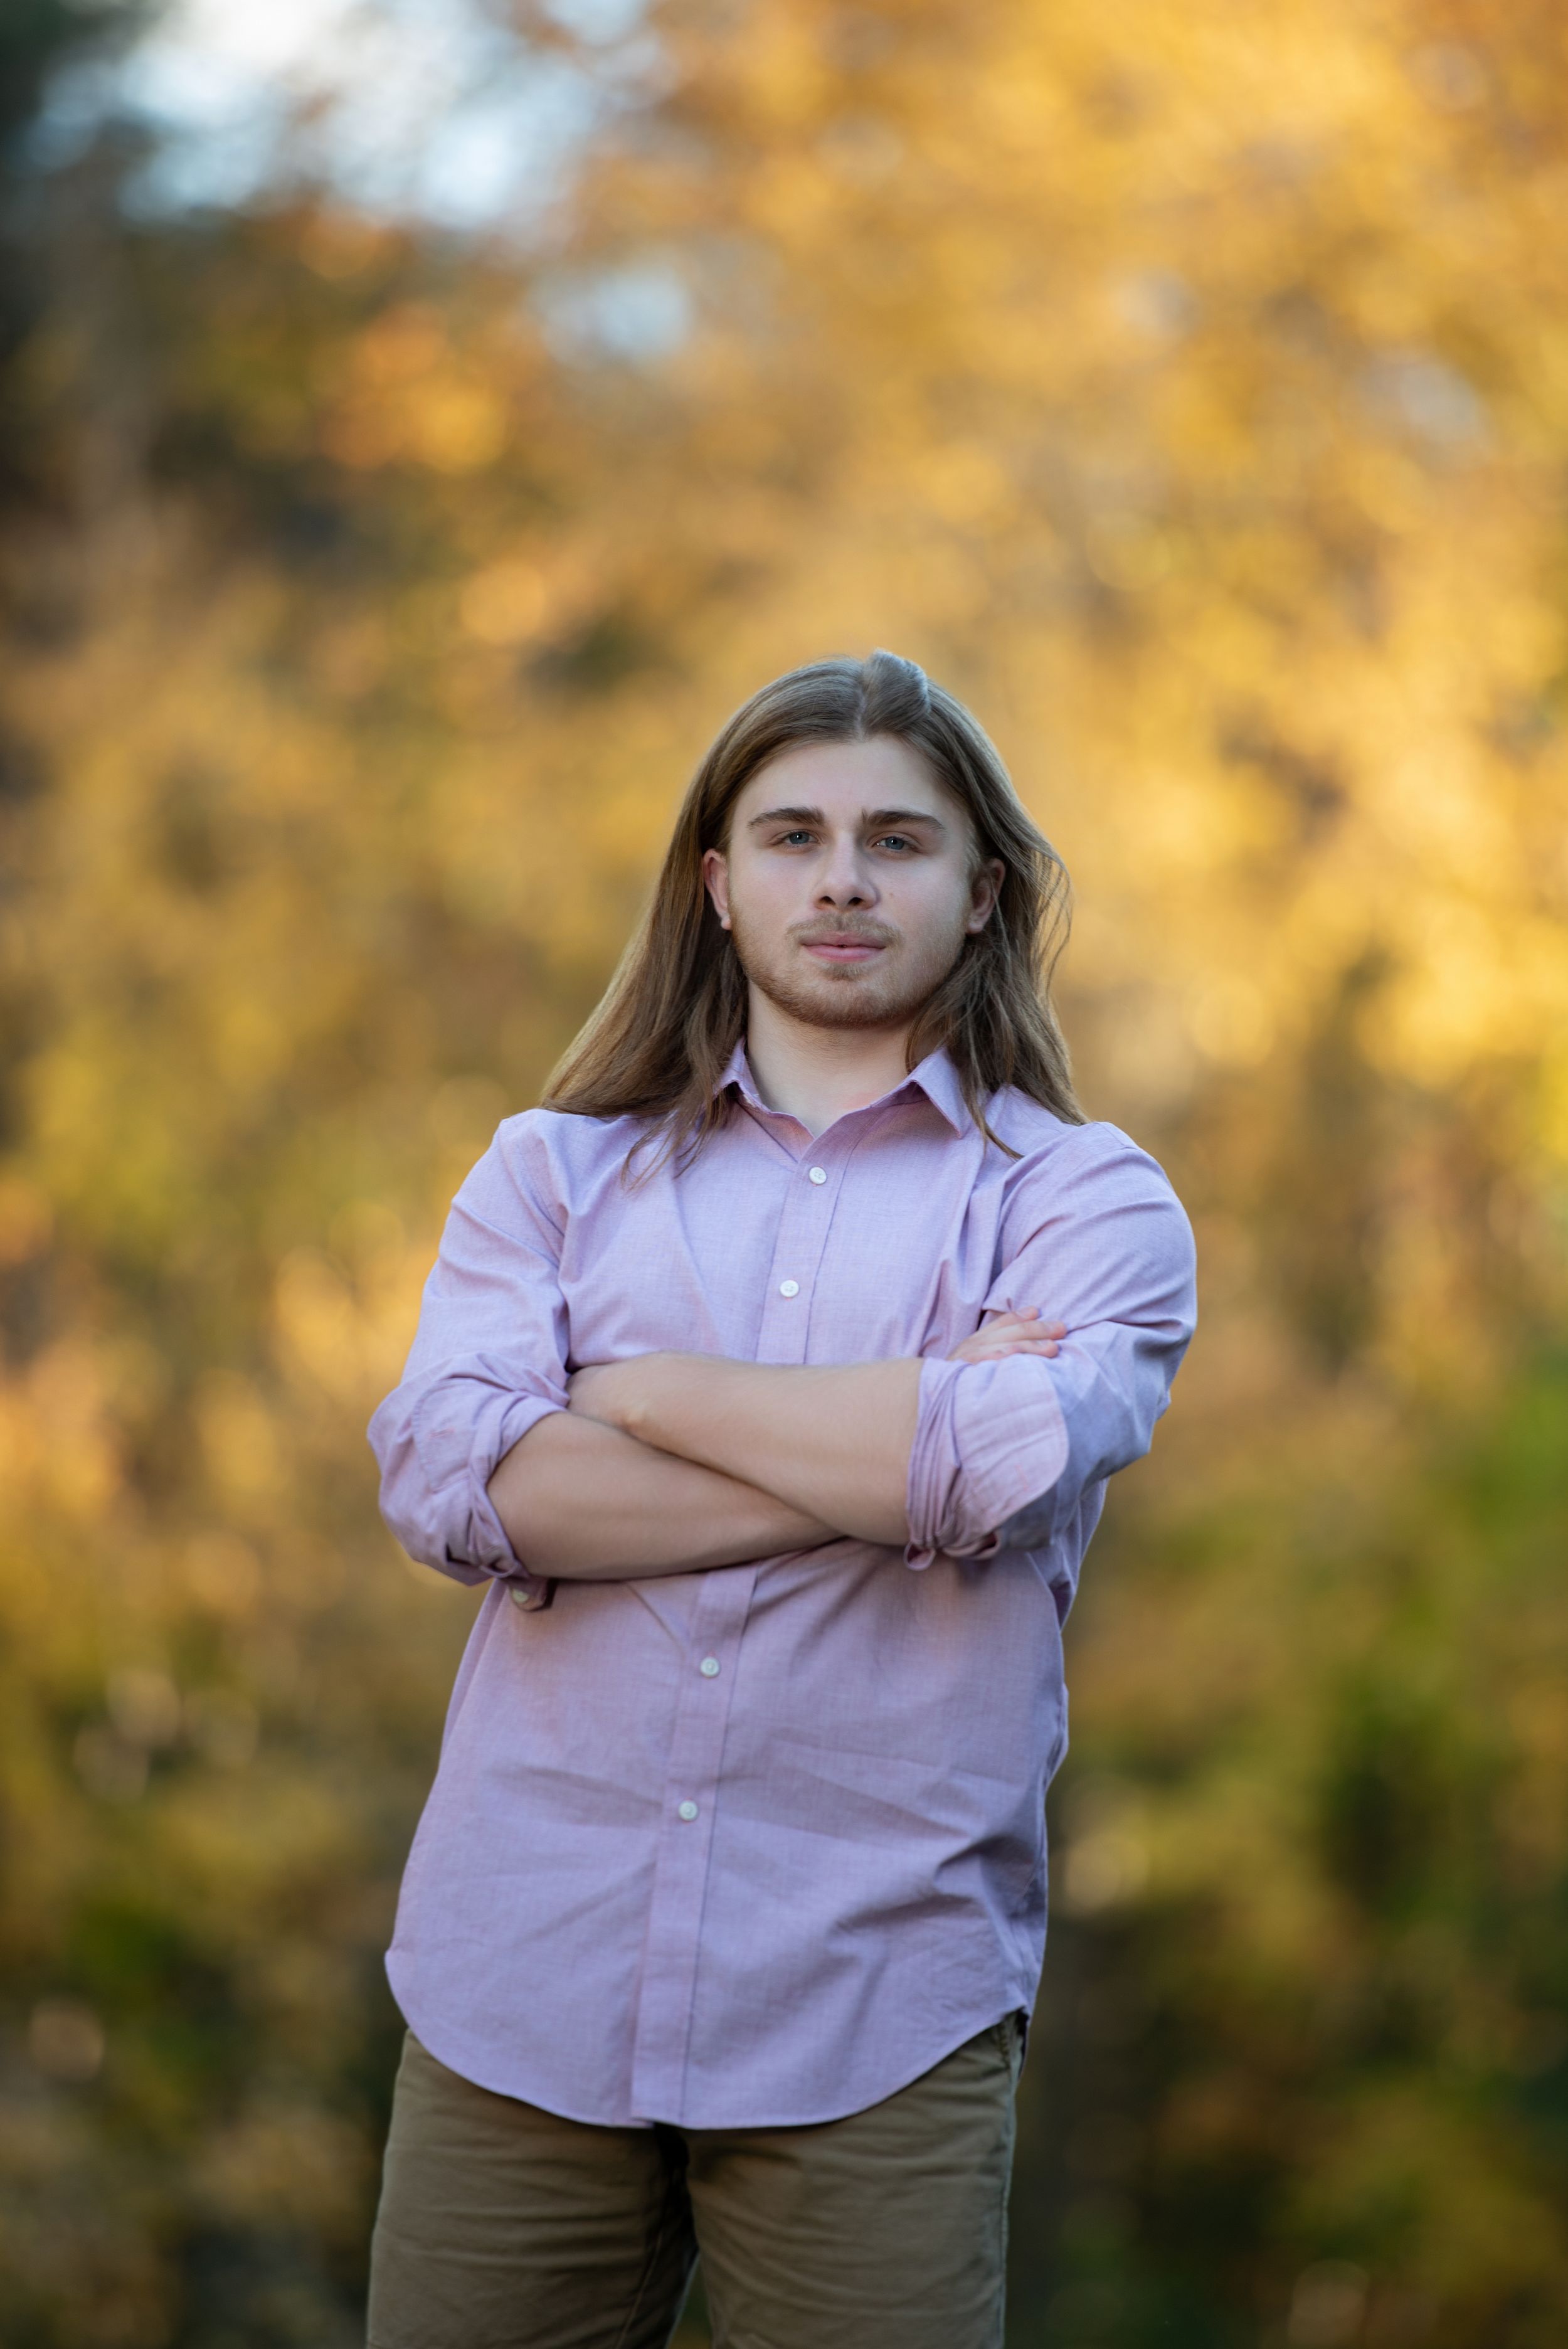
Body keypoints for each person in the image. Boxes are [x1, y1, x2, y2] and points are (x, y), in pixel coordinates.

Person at [364, 649, 1197, 2349]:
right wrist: (894, 1455)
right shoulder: (550, 1172)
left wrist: (644, 1397)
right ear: (716, 885)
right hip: (518, 1981)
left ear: (981, 894)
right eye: (791, 833)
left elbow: (1006, 1459)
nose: (839, 875)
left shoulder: (1082, 1200)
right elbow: (460, 1483)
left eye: (897, 838)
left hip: (876, 2004)